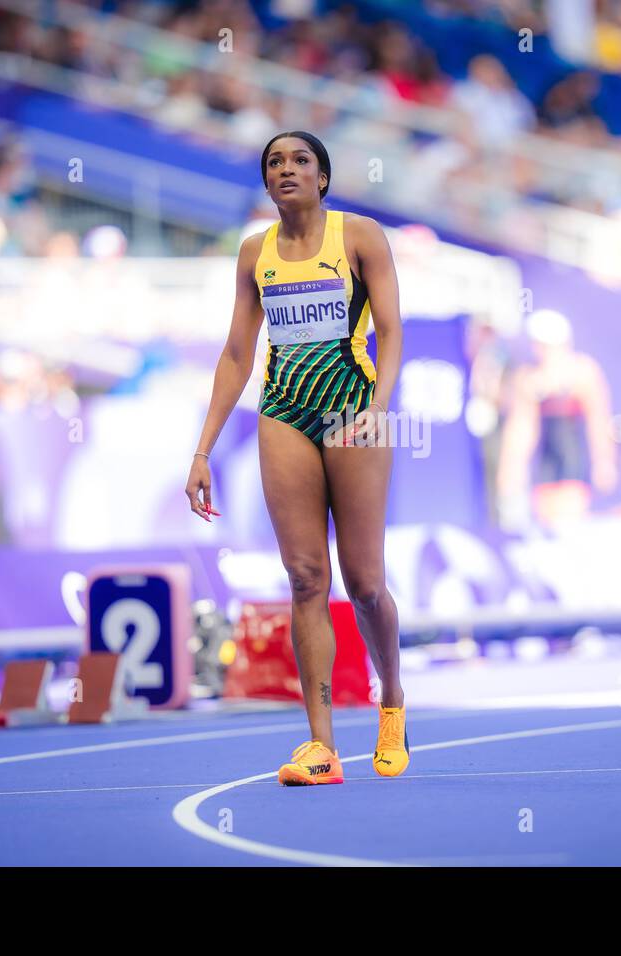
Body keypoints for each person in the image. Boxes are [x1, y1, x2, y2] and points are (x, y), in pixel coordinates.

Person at [185, 131, 407, 786]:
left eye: (299, 160)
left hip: (352, 408)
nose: (286, 169)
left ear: (323, 177)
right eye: (274, 162)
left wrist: (379, 404)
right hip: (284, 412)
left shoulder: (360, 237)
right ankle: (322, 746)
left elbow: (392, 329)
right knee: (307, 578)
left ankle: (391, 697)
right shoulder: (255, 252)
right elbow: (235, 356)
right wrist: (201, 449)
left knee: (364, 583)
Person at [496, 309, 617, 530]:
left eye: (543, 345)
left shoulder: (583, 371)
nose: (538, 350)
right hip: (547, 465)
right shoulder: (528, 377)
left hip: (574, 463)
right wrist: (512, 467)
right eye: (536, 345)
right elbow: (521, 428)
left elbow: (598, 421)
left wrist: (604, 461)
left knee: (570, 519)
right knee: (547, 522)